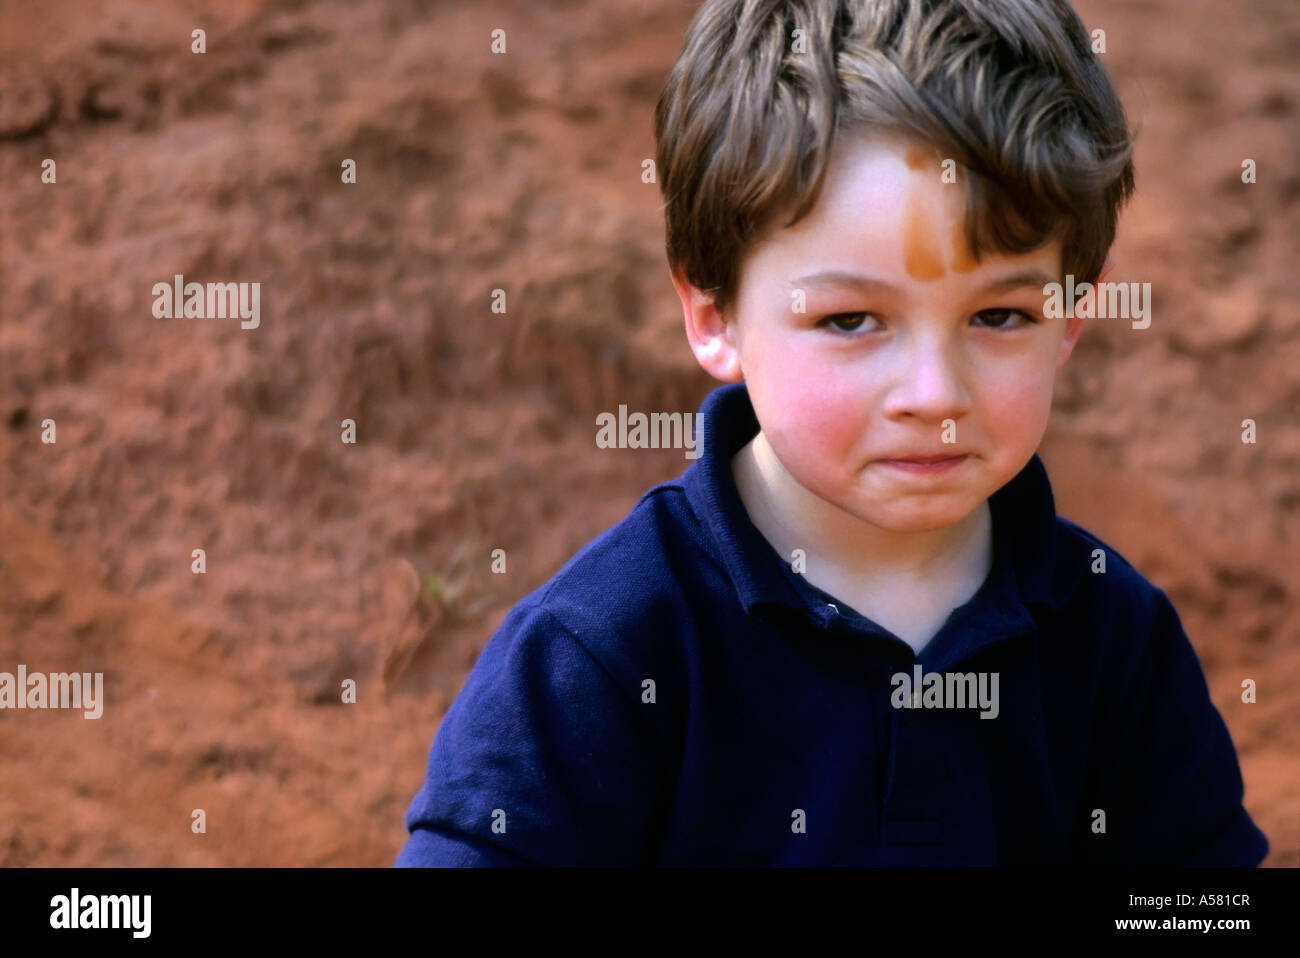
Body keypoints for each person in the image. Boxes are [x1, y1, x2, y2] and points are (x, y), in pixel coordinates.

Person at [395, 0, 1269, 866]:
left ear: (1074, 311)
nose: (935, 394)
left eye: (1000, 314)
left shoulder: (1115, 640)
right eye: (852, 320)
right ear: (715, 313)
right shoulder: (602, 656)